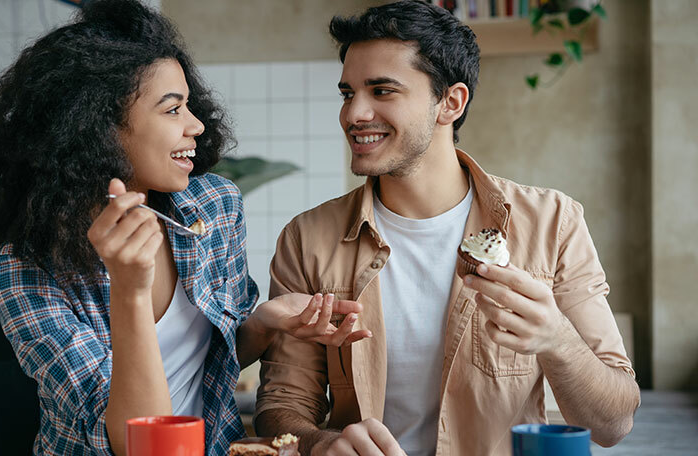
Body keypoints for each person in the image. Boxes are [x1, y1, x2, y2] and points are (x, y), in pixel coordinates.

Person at [0, 1, 368, 455]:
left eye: (189, 105)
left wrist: (265, 322)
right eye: (172, 110)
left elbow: (209, 361)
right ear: (98, 129)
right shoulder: (27, 268)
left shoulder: (214, 206)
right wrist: (130, 291)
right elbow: (134, 443)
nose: (196, 124)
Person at [254, 1, 640, 455]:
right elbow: (281, 405)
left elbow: (613, 424)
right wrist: (320, 443)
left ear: (450, 103)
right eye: (347, 93)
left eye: (381, 91)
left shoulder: (553, 223)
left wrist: (557, 339)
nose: (354, 114)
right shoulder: (307, 238)